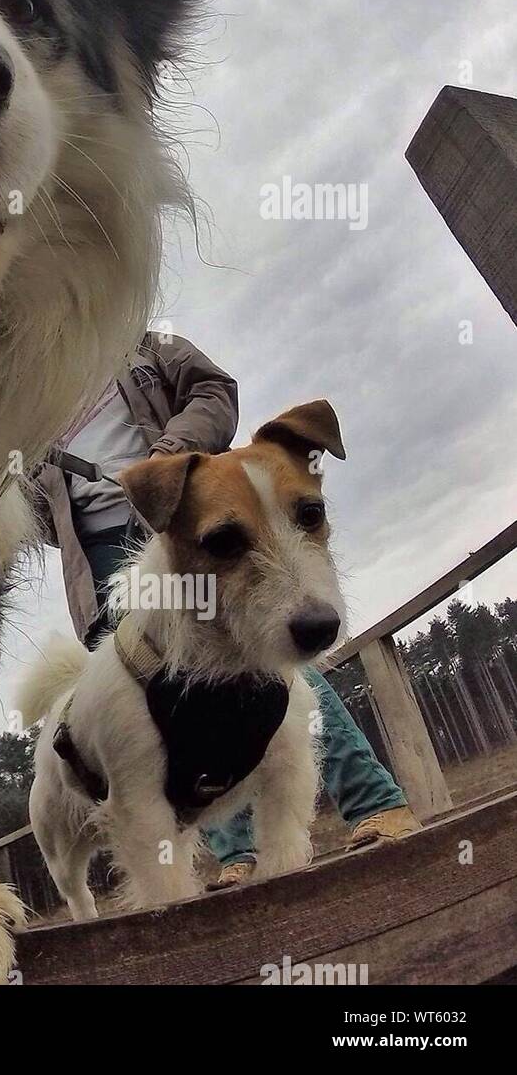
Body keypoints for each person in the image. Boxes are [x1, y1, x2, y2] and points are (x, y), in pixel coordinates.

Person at [34, 330, 420, 881]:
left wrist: (170, 456)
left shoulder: (144, 344)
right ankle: (235, 856)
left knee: (275, 661)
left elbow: (214, 389)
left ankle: (373, 802)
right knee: (152, 717)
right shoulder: (29, 399)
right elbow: (35, 500)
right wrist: (66, 524)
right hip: (100, 547)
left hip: (199, 502)